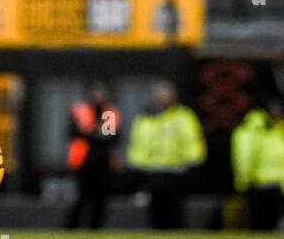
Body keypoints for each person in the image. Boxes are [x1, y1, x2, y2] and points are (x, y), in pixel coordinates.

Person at [126, 81, 206, 229]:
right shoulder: (146, 117)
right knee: (156, 208)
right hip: (153, 170)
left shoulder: (183, 116)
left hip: (176, 170)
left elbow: (191, 139)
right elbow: (138, 141)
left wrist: (193, 160)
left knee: (175, 207)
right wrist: (137, 163)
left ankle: (176, 233)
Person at [232, 99, 284, 230]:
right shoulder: (255, 129)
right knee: (259, 228)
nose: (278, 112)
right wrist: (244, 180)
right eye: (274, 108)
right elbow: (245, 156)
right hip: (258, 184)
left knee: (273, 229)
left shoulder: (281, 131)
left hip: (278, 185)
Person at [66, 82, 120, 229]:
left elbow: (111, 136)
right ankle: (72, 227)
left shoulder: (109, 112)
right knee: (82, 197)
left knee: (101, 198)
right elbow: (74, 132)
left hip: (103, 162)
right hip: (83, 161)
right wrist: (94, 134)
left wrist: (92, 134)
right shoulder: (81, 110)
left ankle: (96, 228)